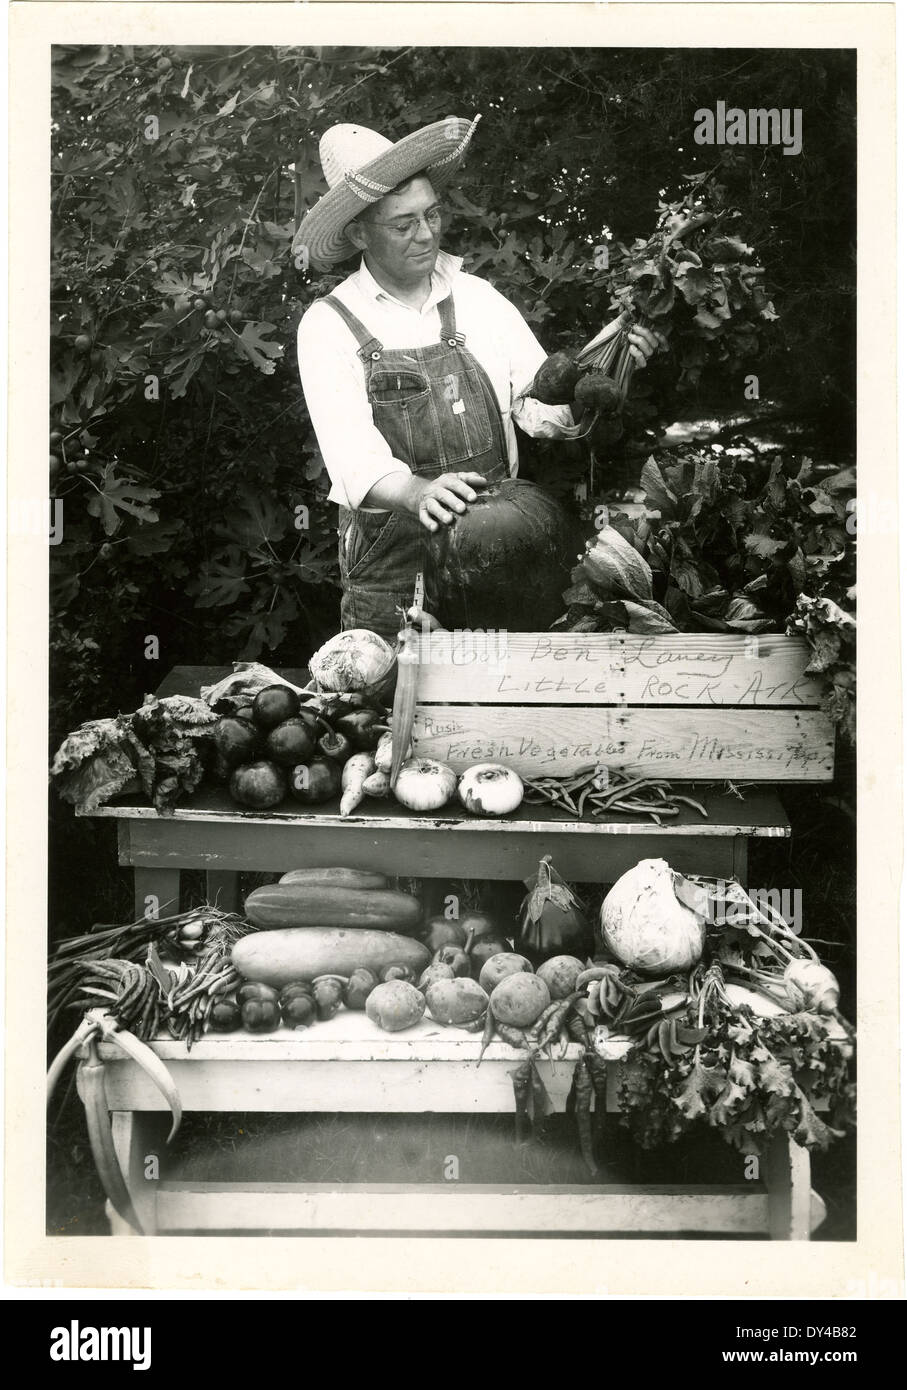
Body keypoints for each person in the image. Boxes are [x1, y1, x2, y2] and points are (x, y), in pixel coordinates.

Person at [295, 115, 659, 641]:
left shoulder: (478, 299)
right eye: (403, 225)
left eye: (432, 215)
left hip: (501, 558)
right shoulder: (328, 324)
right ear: (358, 233)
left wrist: (603, 376)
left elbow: (539, 407)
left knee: (503, 711)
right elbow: (352, 460)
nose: (425, 235)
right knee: (390, 712)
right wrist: (417, 493)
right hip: (393, 571)